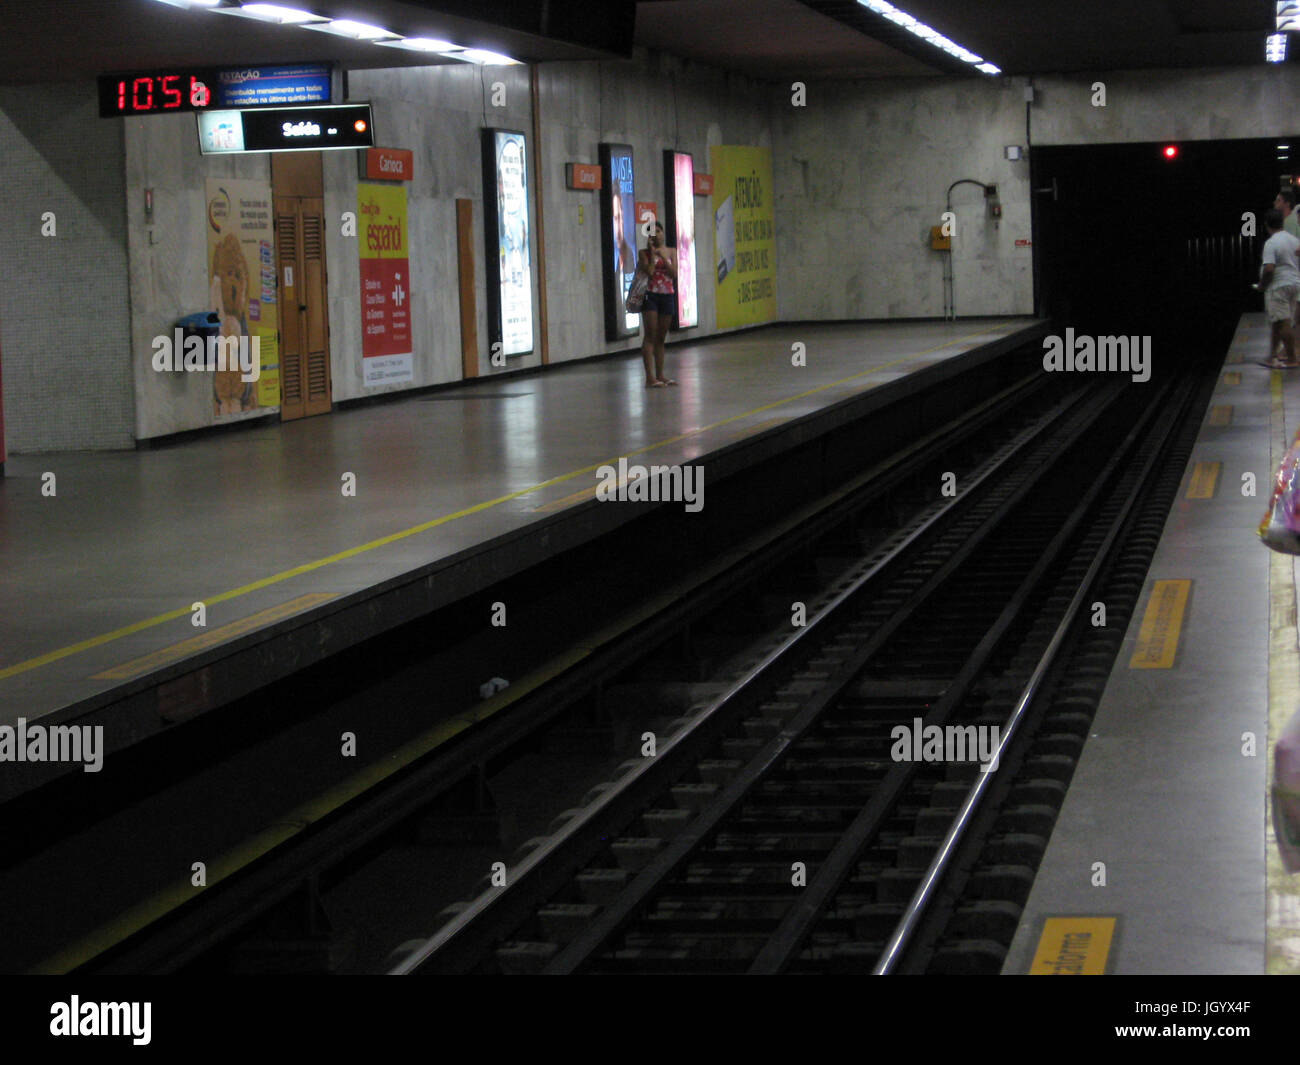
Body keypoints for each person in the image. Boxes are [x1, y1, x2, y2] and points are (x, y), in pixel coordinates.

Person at [1259, 207, 1300, 368]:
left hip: (1279, 286)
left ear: (1267, 225)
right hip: (1294, 284)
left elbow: (1269, 268)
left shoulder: (1271, 243)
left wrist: (1263, 285)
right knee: (1279, 322)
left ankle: (1291, 358)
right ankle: (1272, 356)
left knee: (1283, 323)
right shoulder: (1294, 240)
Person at [638, 222, 677, 387]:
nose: (657, 235)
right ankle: (650, 377)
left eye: (659, 231)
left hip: (667, 295)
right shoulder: (643, 253)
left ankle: (661, 374)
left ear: (663, 233)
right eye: (653, 233)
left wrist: (663, 258)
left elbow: (674, 273)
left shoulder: (672, 251)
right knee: (650, 335)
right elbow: (650, 271)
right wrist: (653, 255)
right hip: (650, 295)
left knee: (661, 337)